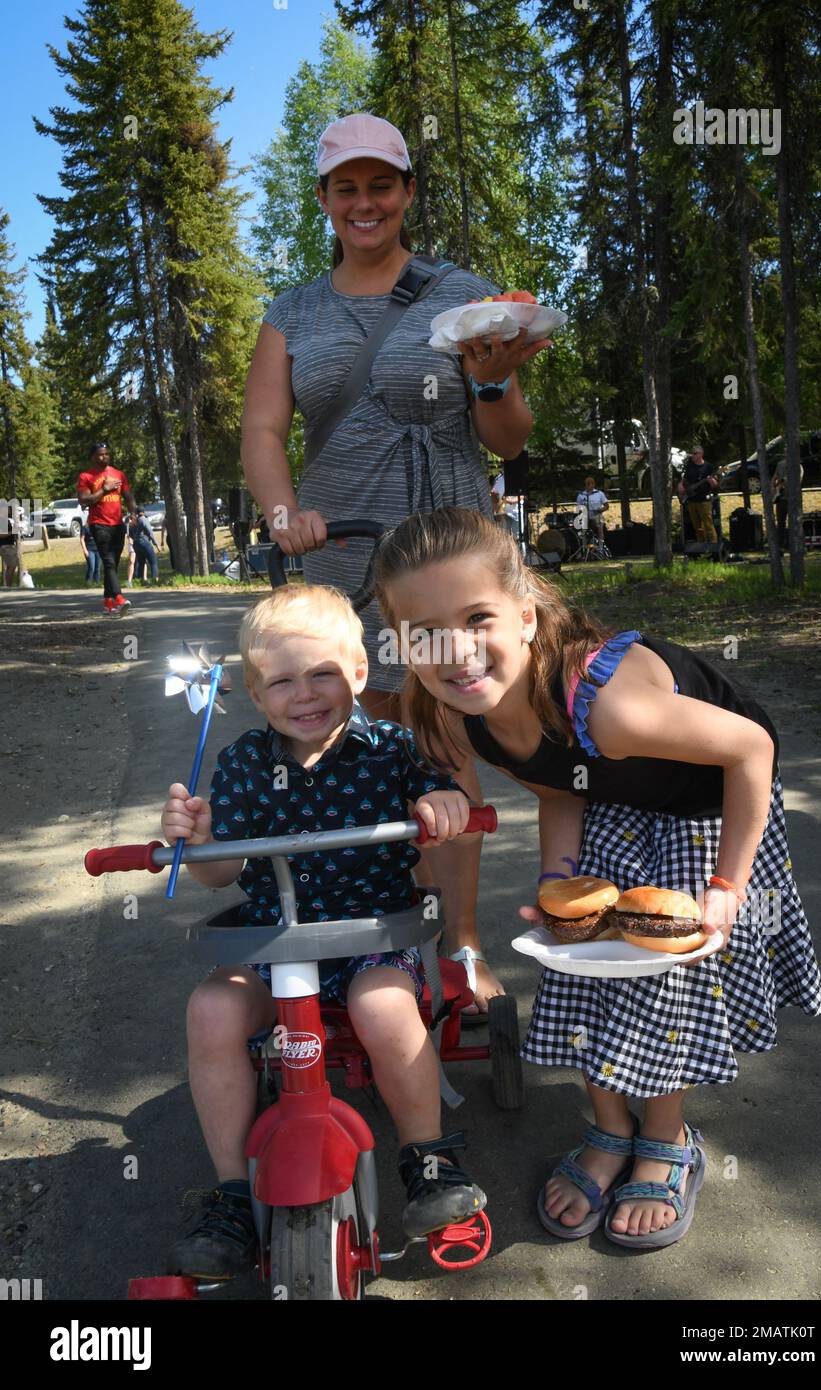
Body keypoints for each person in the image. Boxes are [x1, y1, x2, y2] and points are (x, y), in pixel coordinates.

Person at [373, 507, 821, 1251]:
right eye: (424, 631)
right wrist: (559, 880)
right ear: (398, 644)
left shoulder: (608, 707)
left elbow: (749, 749)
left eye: (477, 617)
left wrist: (727, 887)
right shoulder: (457, 713)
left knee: (656, 973)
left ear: (524, 616)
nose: (454, 650)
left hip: (706, 806)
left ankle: (667, 1141)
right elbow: (560, 786)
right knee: (580, 966)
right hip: (612, 798)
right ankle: (608, 1131)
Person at [240, 112, 552, 1015]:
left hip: (446, 562)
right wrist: (281, 512)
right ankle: (367, 941)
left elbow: (507, 435)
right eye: (348, 187)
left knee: (445, 744)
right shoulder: (293, 312)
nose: (365, 203)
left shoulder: (463, 298)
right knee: (353, 748)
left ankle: (455, 947)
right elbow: (263, 429)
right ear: (325, 201)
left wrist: (492, 378)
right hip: (340, 556)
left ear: (407, 192)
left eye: (382, 184)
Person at [160, 582, 486, 1280]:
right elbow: (219, 877)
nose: (303, 694)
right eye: (281, 681)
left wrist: (442, 799)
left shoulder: (392, 747)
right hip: (272, 940)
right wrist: (202, 840)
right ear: (254, 691)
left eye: (323, 674)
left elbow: (443, 788)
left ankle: (427, 1156)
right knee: (211, 1008)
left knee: (383, 1007)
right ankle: (230, 1192)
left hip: (371, 934)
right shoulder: (245, 763)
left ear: (359, 674)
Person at [76, 442, 137, 613]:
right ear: (93, 457)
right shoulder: (86, 476)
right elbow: (84, 500)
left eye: (107, 454)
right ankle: (119, 598)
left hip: (117, 524)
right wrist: (104, 489)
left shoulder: (118, 474)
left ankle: (107, 601)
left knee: (114, 563)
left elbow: (128, 496)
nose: (105, 457)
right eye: (101, 454)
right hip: (98, 523)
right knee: (109, 562)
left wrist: (133, 513)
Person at [678, 445, 719, 545]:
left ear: (701, 454)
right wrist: (681, 488)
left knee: (708, 524)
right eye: (692, 453)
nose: (693, 455)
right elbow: (685, 481)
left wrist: (711, 481)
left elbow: (715, 484)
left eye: (696, 453)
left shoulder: (708, 467)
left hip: (704, 500)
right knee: (697, 526)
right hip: (691, 500)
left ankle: (714, 546)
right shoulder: (690, 466)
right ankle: (701, 546)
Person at [770, 455, 804, 551]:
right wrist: (773, 488)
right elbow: (774, 477)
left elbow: (797, 480)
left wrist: (783, 481)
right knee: (780, 523)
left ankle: (794, 545)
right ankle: (780, 545)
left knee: (794, 523)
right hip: (780, 499)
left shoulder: (798, 466)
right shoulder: (780, 464)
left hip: (793, 500)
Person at [575, 476, 610, 543]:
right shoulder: (581, 495)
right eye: (587, 484)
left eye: (590, 483)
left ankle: (601, 544)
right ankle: (584, 545)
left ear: (593, 484)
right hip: (585, 516)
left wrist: (600, 510)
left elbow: (607, 506)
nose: (588, 485)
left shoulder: (599, 493)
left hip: (597, 515)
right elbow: (578, 508)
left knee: (599, 523)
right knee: (582, 528)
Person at [130, 508, 160, 583]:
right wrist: (156, 543)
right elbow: (149, 531)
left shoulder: (133, 522)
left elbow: (130, 534)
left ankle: (139, 581)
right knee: (153, 561)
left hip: (136, 544)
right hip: (144, 542)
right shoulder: (143, 519)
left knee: (141, 563)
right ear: (143, 512)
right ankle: (155, 580)